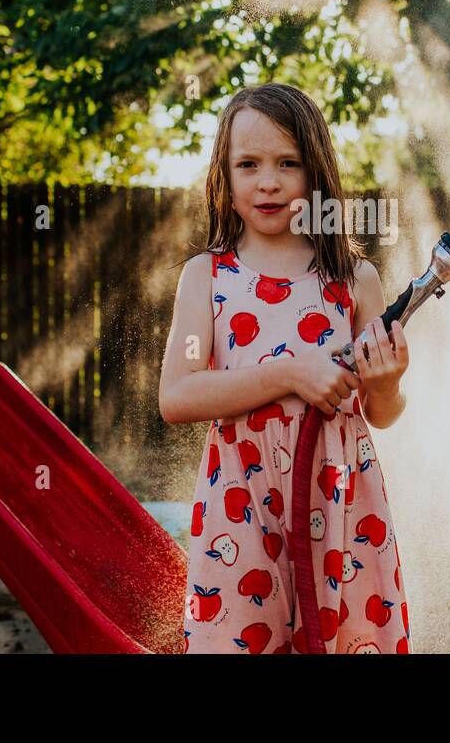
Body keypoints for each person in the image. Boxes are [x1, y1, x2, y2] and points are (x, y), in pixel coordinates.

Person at [158, 82, 412, 654]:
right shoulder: (208, 277)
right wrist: (292, 373)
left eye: (287, 163)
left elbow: (384, 415)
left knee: (342, 640)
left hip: (340, 502)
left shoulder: (352, 281)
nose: (267, 181)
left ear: (316, 172)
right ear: (224, 176)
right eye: (248, 164)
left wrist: (387, 382)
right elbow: (177, 397)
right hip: (240, 505)